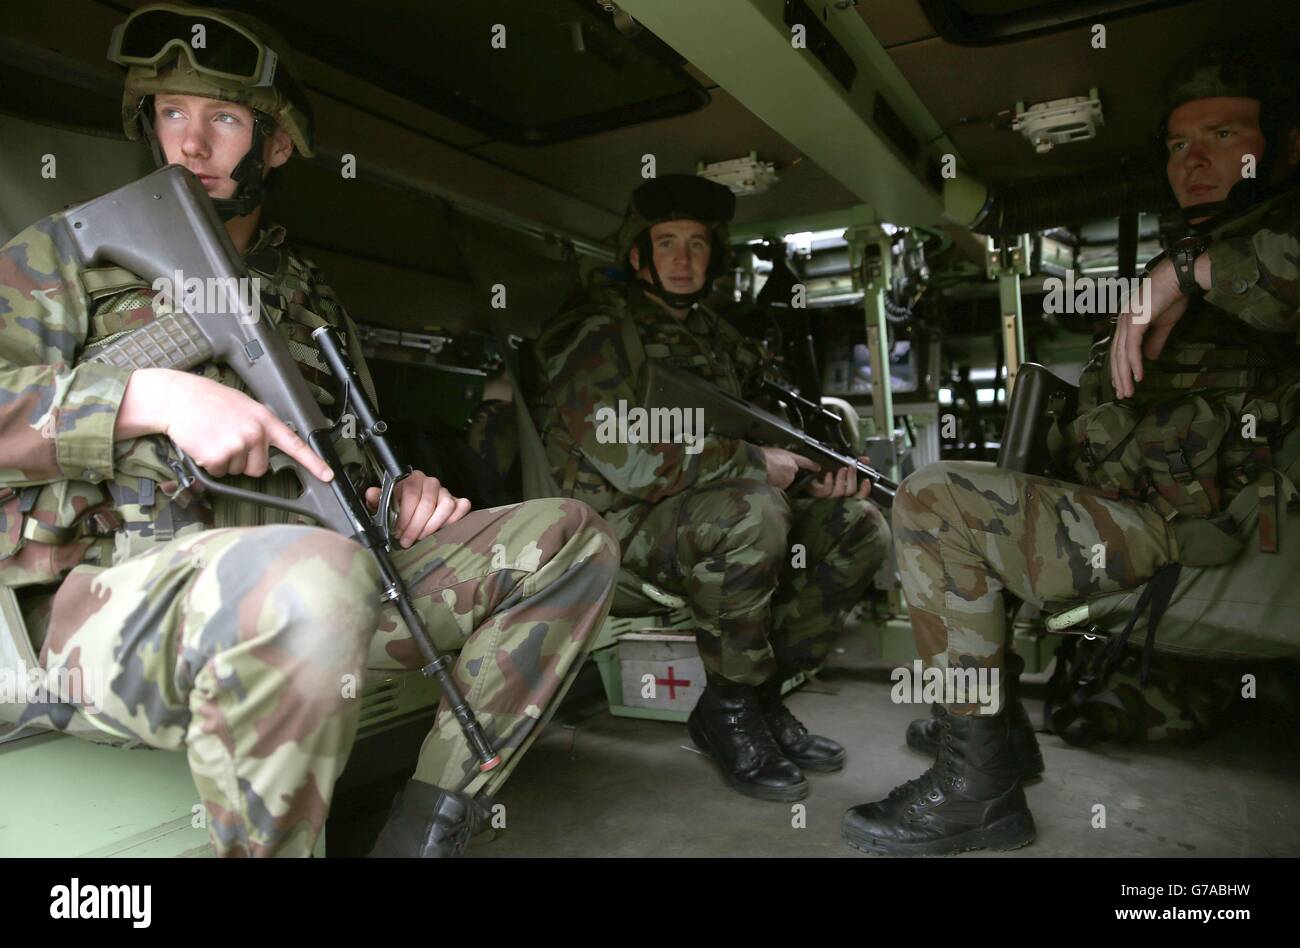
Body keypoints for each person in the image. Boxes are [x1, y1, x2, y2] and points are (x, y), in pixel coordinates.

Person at [0, 3, 619, 858]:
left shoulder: (304, 294)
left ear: (277, 144)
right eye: (171, 113)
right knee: (311, 581)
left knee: (567, 537)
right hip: (111, 613)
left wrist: (402, 493)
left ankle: (425, 830)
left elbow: (348, 462)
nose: (190, 143)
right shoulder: (62, 259)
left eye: (223, 118)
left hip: (320, 594)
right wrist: (149, 397)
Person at [842, 34, 1300, 856]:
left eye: (1224, 136)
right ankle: (997, 735)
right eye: (1178, 146)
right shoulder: (1184, 257)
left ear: (1286, 147)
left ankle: (978, 793)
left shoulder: (1246, 253)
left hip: (1209, 526)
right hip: (1138, 508)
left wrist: (1183, 274)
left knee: (931, 502)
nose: (1193, 162)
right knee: (990, 482)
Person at [533, 173, 892, 802]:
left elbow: (766, 437)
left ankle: (756, 694)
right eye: (666, 241)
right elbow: (634, 463)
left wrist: (819, 480)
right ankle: (728, 712)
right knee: (749, 509)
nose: (681, 258)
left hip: (708, 514)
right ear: (637, 253)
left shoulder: (717, 338)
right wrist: (759, 463)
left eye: (696, 243)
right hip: (612, 531)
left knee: (858, 525)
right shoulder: (593, 332)